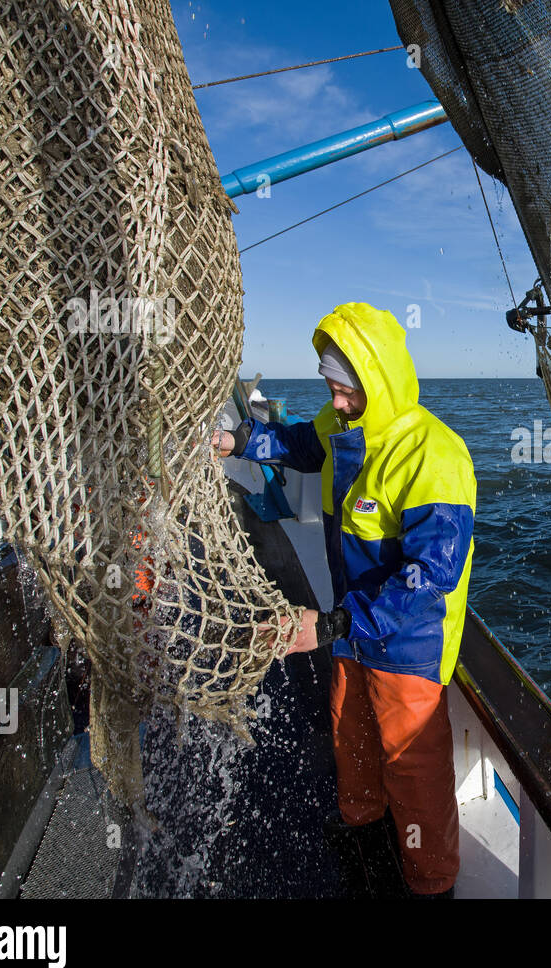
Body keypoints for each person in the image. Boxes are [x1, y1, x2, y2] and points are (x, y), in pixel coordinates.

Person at [213, 302, 476, 898]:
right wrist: (237, 440)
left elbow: (429, 578)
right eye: (330, 389)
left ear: (375, 382)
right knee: (348, 734)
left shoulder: (436, 455)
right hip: (351, 631)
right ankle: (363, 836)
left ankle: (431, 883)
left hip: (408, 643)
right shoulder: (340, 428)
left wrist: (330, 623)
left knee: (414, 767)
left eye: (343, 391)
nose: (334, 402)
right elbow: (301, 442)